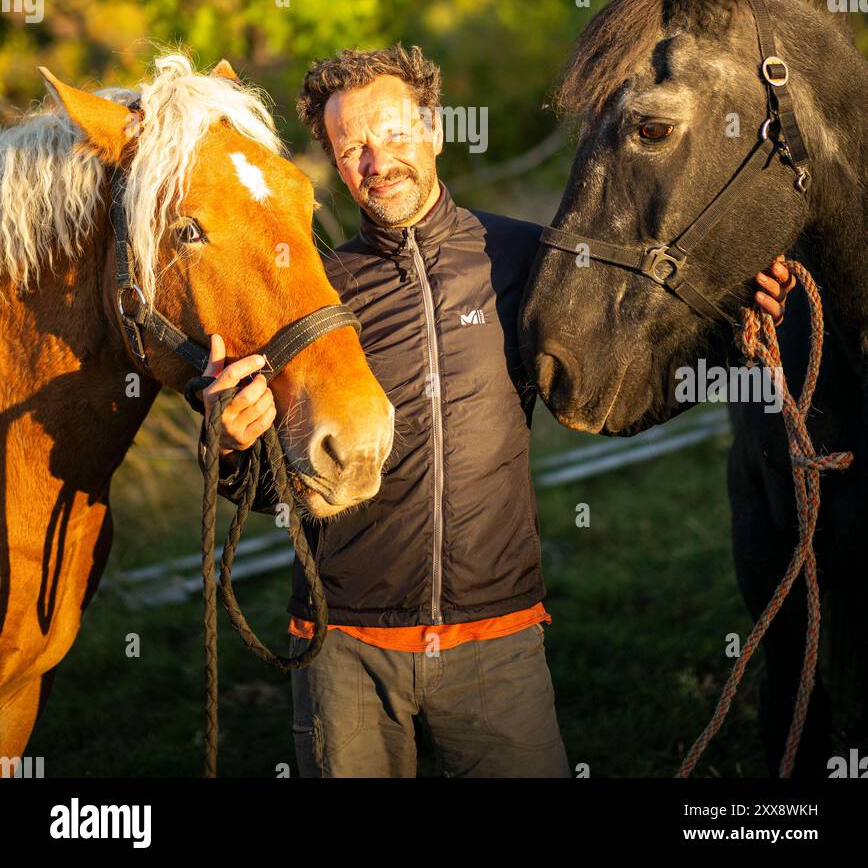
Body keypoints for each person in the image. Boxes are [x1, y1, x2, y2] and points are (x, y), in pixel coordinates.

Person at [195, 44, 794, 778]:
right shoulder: (319, 289)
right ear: (332, 162)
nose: (376, 160)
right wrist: (230, 446)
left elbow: (614, 398)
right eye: (350, 147)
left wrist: (735, 338)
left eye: (392, 132)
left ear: (436, 129)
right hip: (345, 651)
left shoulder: (520, 258)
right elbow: (280, 486)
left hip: (497, 644)